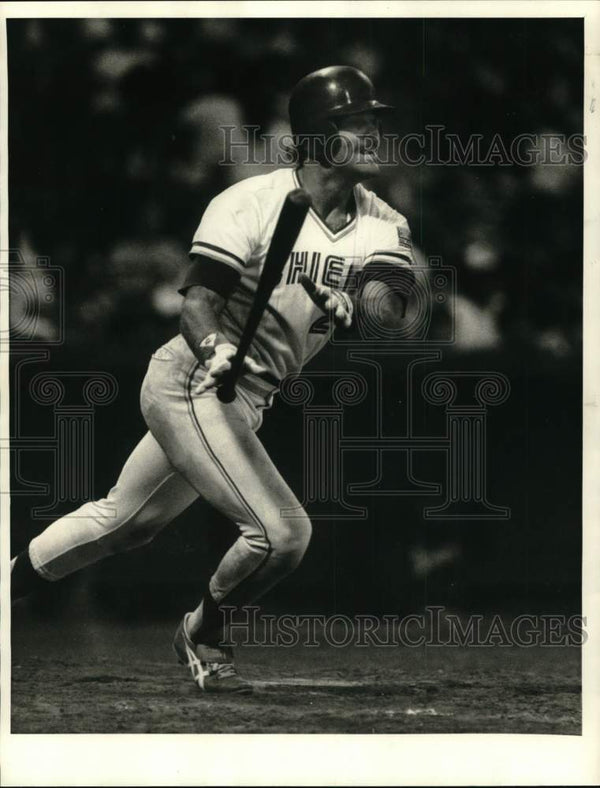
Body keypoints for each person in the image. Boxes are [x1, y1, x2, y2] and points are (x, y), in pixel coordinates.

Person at [11, 66, 415, 694]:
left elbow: (390, 307)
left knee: (125, 521)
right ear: (317, 134)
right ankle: (204, 634)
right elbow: (197, 304)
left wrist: (358, 303)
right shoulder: (248, 202)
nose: (373, 133)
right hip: (193, 378)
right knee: (282, 534)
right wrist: (217, 348)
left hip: (247, 398)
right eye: (355, 122)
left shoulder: (383, 221)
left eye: (373, 120)